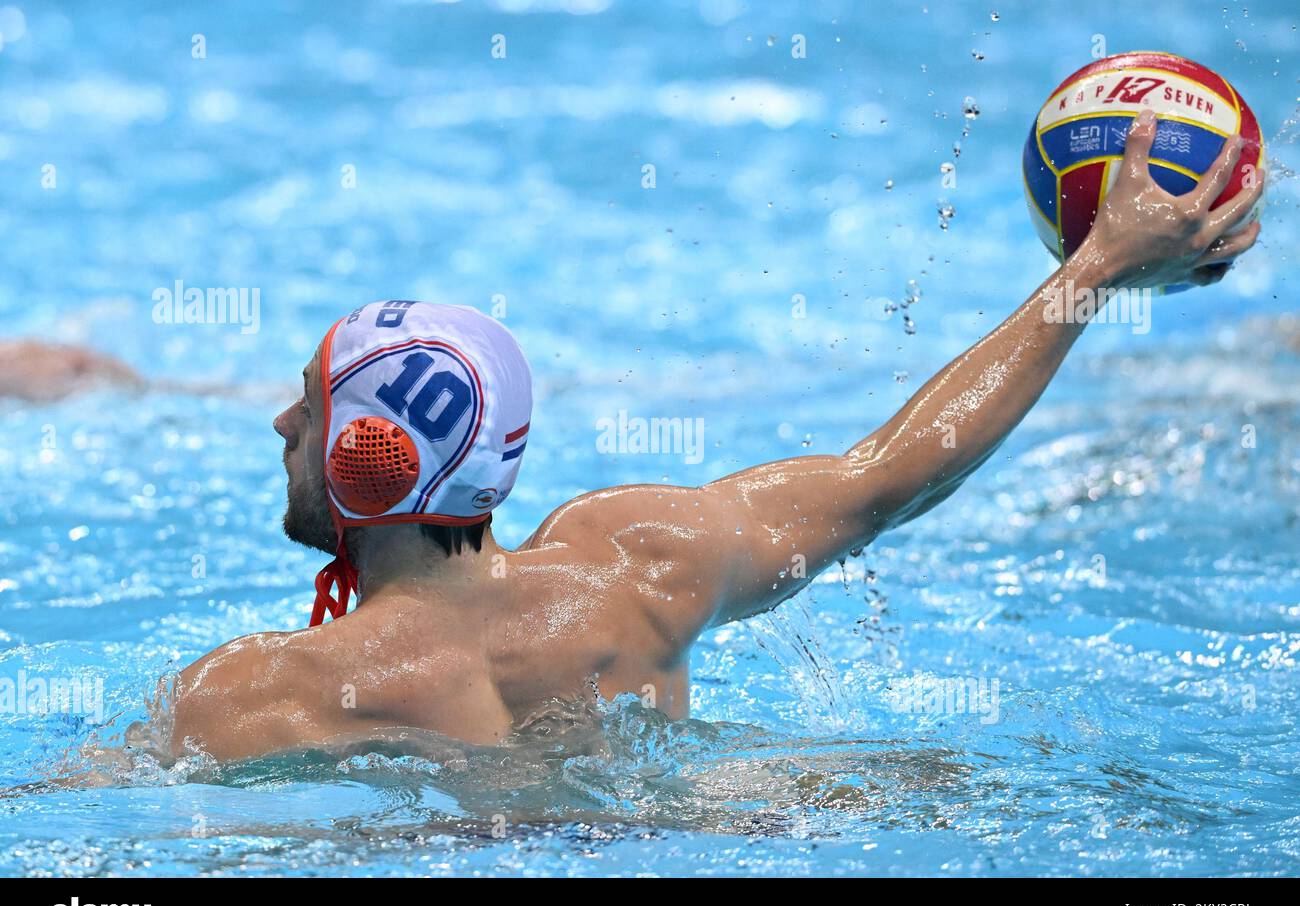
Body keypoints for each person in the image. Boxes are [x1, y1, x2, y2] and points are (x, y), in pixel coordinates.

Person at [167, 111, 1262, 761]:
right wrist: (1090, 274)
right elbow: (889, 477)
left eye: (310, 406)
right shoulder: (638, 564)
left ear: (376, 456)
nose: (281, 422)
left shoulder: (261, 691)